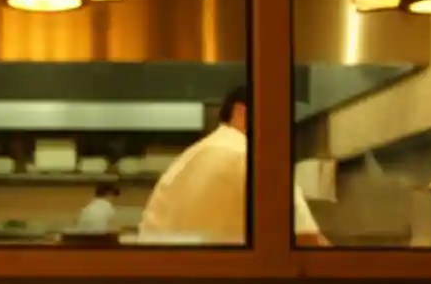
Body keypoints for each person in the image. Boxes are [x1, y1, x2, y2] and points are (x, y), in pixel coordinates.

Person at [139, 86, 327, 246]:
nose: (282, 129)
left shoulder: (186, 160)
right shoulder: (251, 158)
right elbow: (306, 239)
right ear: (241, 112)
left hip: (163, 283)